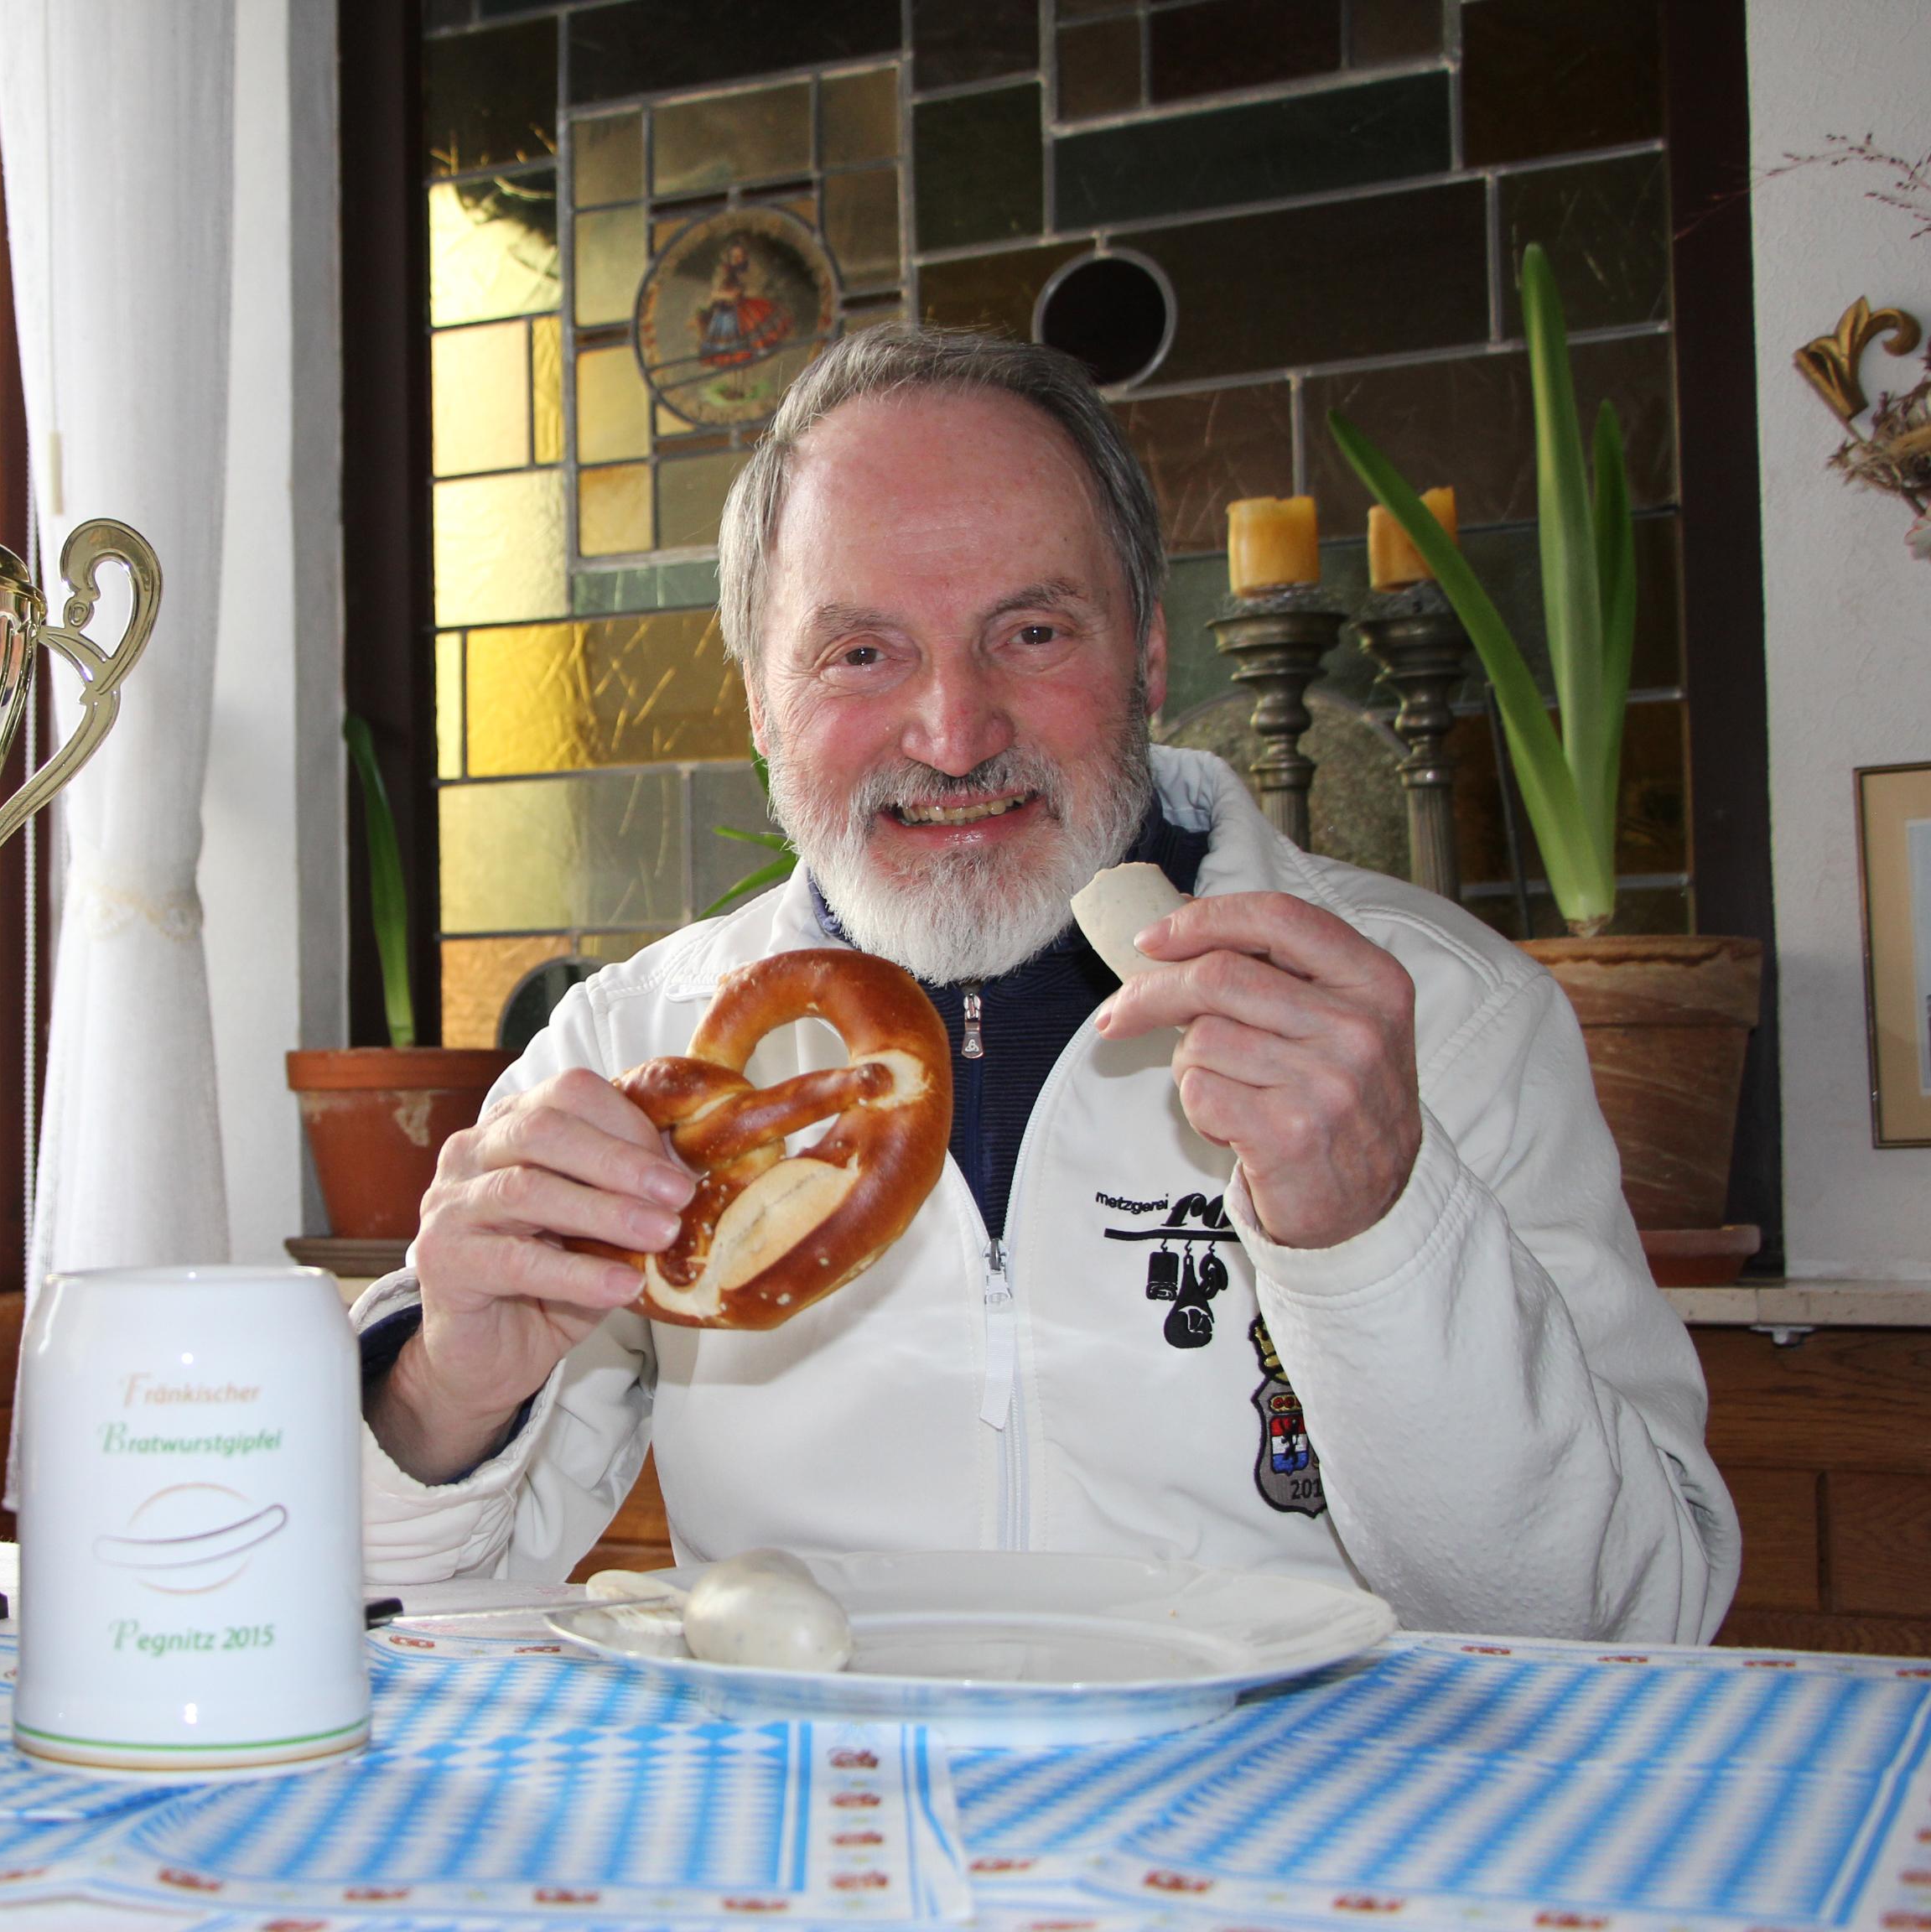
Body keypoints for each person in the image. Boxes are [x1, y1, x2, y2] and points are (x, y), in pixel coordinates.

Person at [354, 324, 1740, 1644]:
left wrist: (1386, 1225)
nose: (954, 734)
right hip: (821, 1853)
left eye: (1032, 633)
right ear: (762, 701)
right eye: (861, 652)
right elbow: (377, 1607)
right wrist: (444, 1391)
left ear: (1146, 652)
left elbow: (1632, 1625)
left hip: (1287, 1863)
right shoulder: (629, 1056)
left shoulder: (1433, 1019)